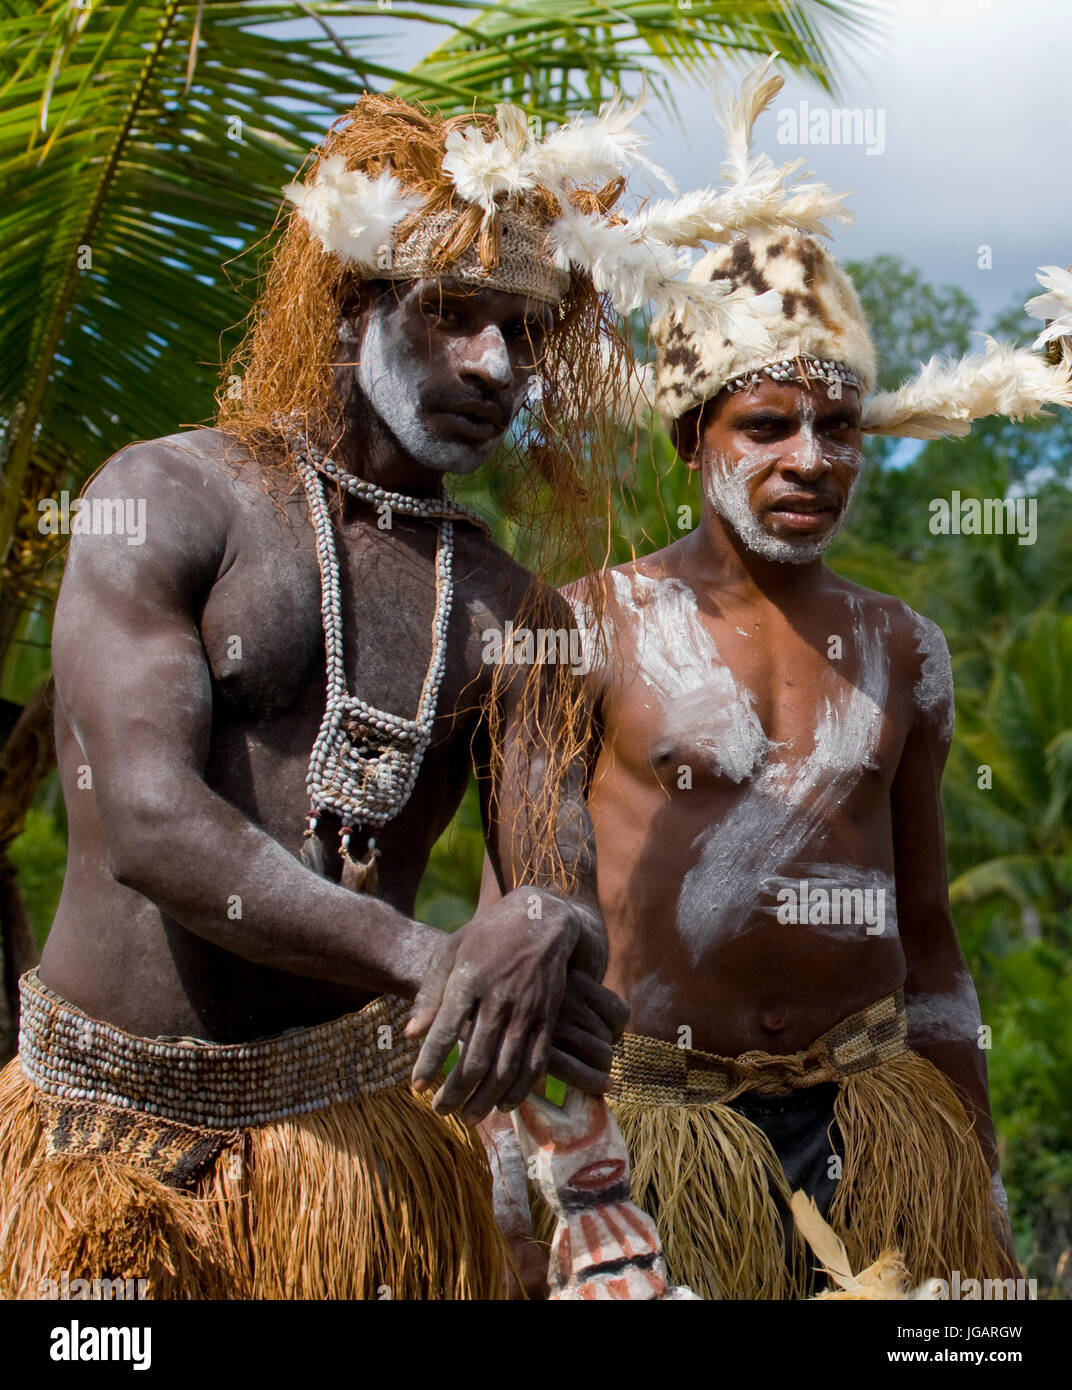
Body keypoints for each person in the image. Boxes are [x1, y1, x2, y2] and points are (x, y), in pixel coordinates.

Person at [0, 89, 711, 1300]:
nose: (494, 364)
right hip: (93, 1147)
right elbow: (147, 826)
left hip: (350, 1171)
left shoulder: (524, 620)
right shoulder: (167, 497)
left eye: (524, 332)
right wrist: (437, 962)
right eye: (452, 315)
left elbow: (551, 890)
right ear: (348, 308)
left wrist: (550, 937)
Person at [482, 58, 1072, 1300]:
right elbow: (517, 939)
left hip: (871, 1121)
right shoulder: (583, 628)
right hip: (657, 1128)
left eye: (838, 427)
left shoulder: (904, 645)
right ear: (692, 435)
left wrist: (978, 1191)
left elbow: (928, 934)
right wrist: (551, 1192)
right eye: (766, 425)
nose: (811, 458)